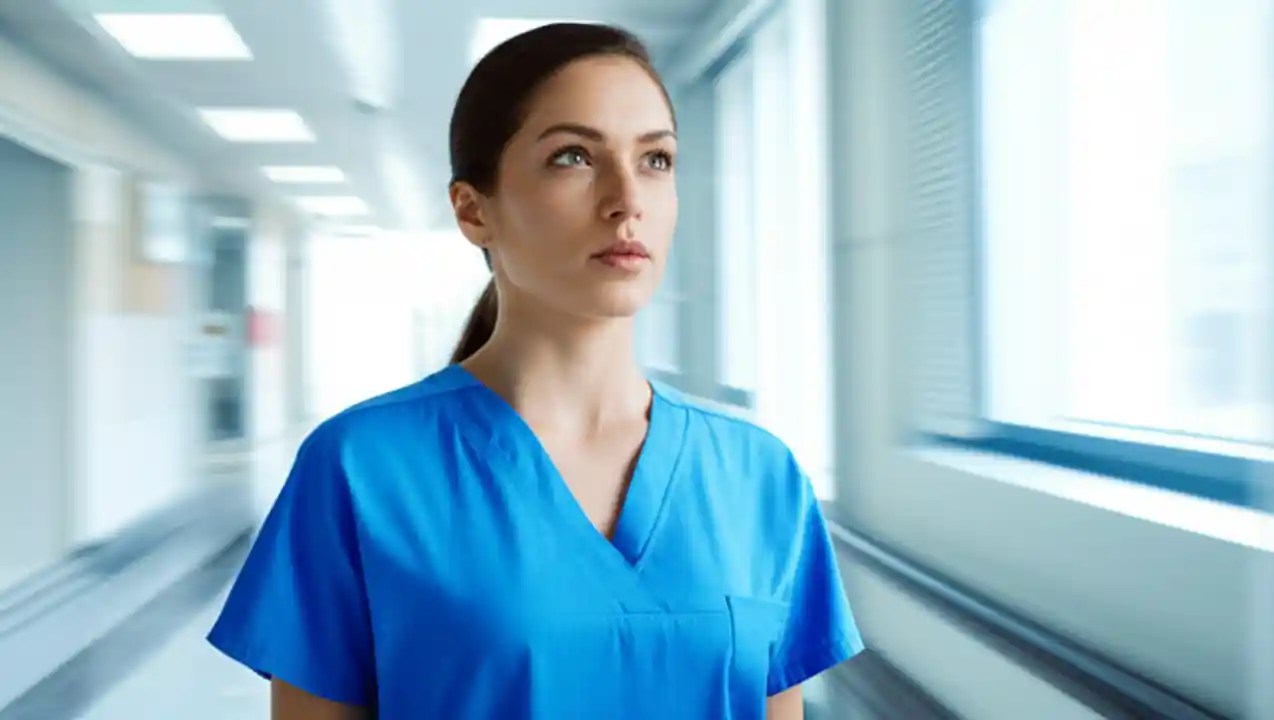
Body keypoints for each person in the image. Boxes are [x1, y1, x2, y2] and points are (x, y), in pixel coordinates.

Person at [207, 22, 863, 720]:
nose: (626, 199)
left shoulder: (758, 476)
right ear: (473, 210)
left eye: (656, 160)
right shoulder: (361, 469)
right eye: (574, 157)